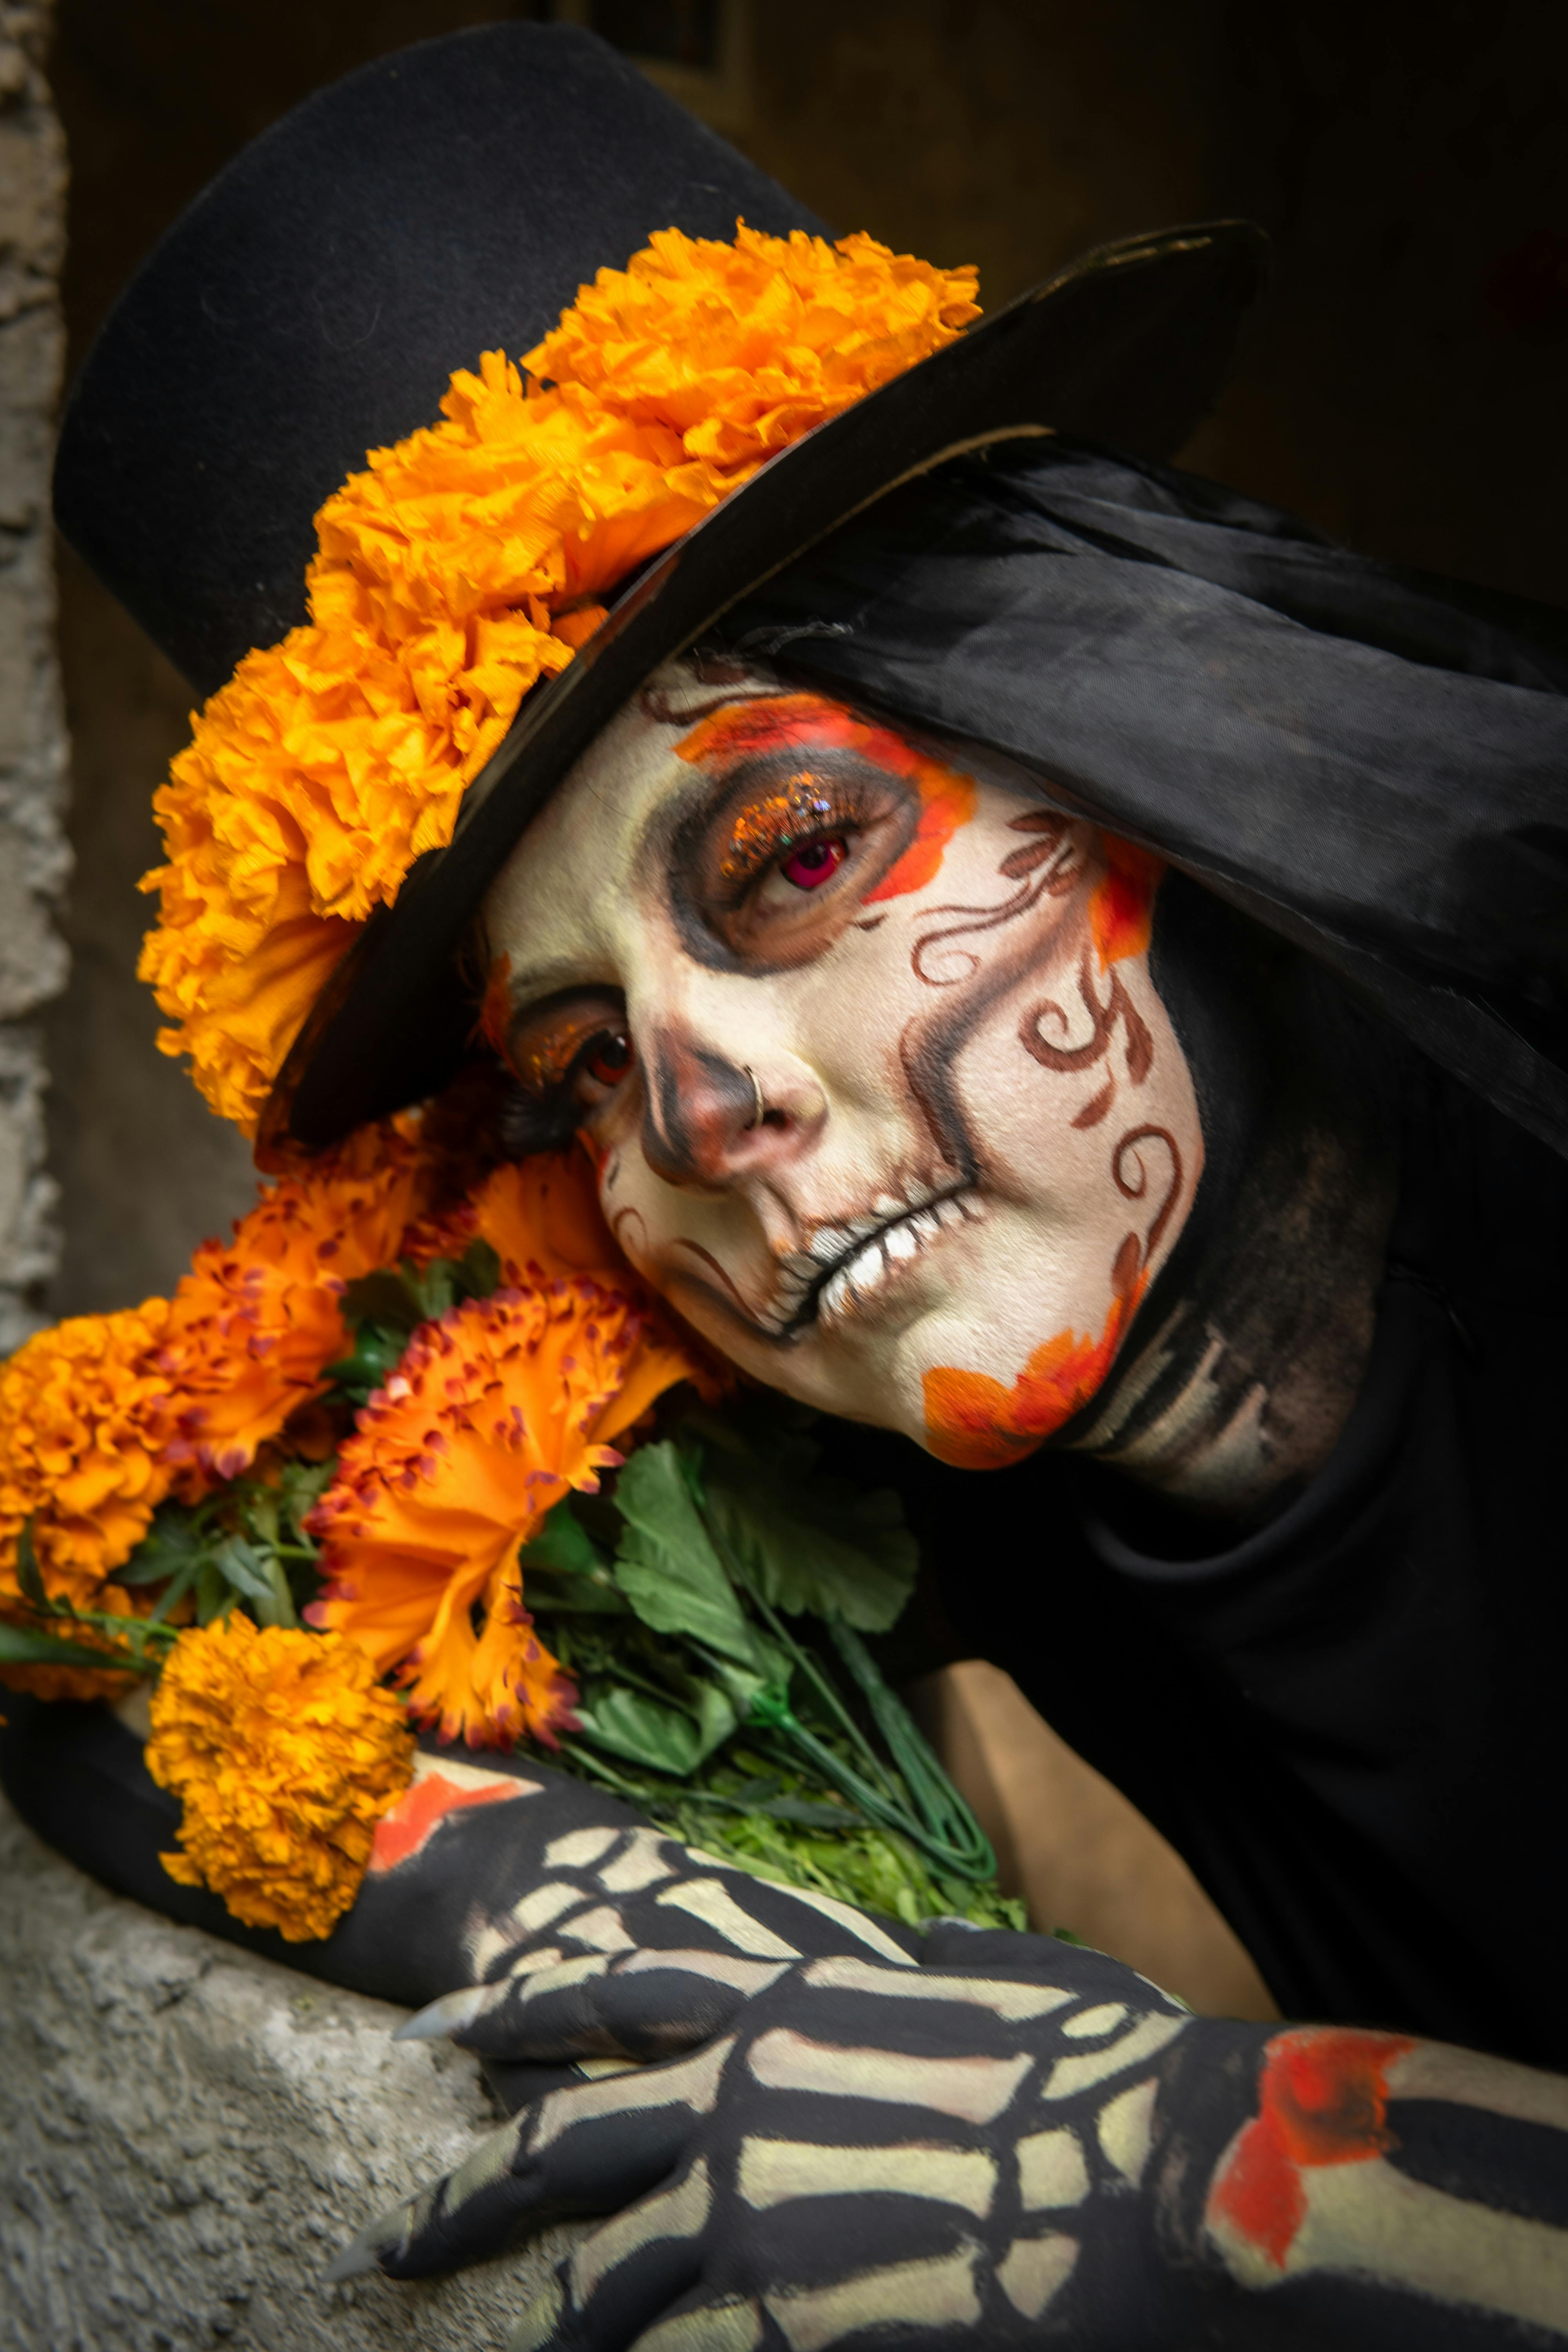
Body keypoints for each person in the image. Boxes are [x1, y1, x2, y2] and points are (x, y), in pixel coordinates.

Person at [9, 20, 1568, 2347]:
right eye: (572, 1072)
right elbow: (95, 1652)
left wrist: (1181, 2172)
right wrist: (742, 1969)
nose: (698, 1111)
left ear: (1121, 734)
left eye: (794, 855)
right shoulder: (911, 1467)